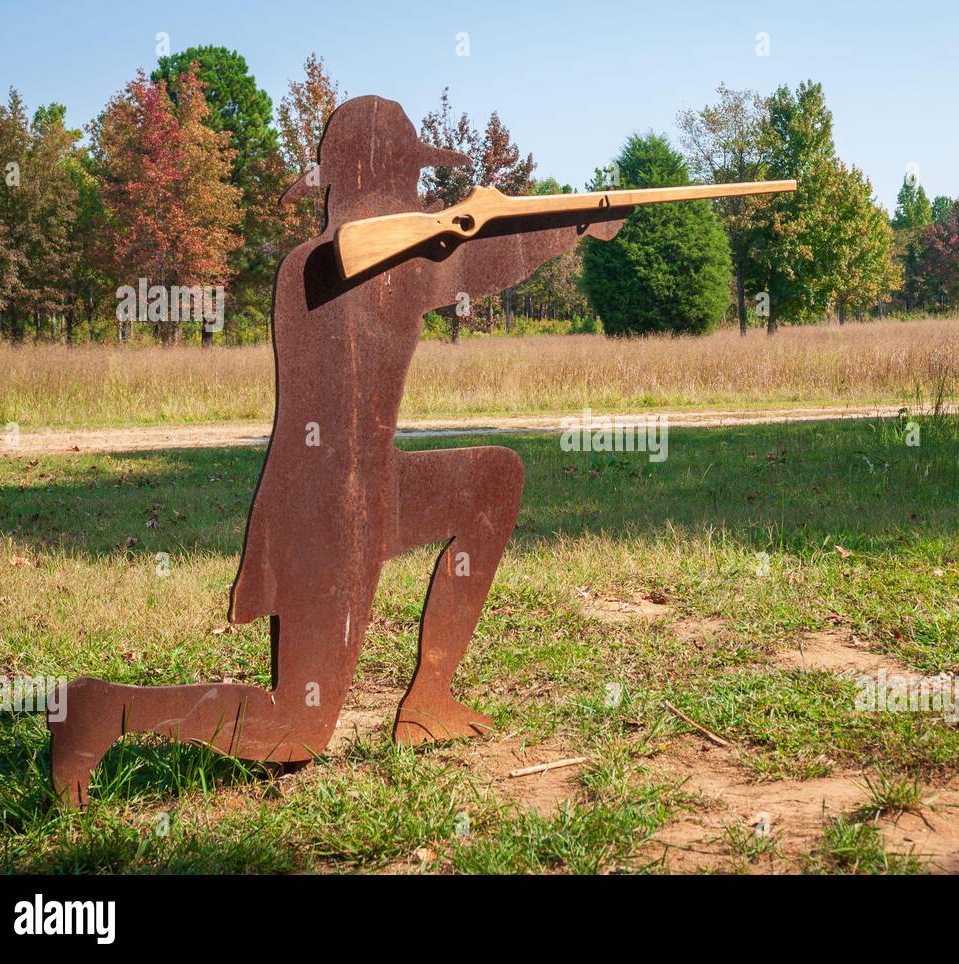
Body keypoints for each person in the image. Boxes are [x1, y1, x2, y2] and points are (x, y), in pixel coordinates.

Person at [49, 96, 624, 807]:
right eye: (408, 177)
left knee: (492, 478)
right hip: (322, 511)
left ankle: (428, 702)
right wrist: (555, 228)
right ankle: (105, 709)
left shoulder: (377, 261)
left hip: (373, 488)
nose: (417, 195)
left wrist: (559, 222)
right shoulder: (322, 266)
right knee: (296, 731)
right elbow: (465, 268)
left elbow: (464, 265)